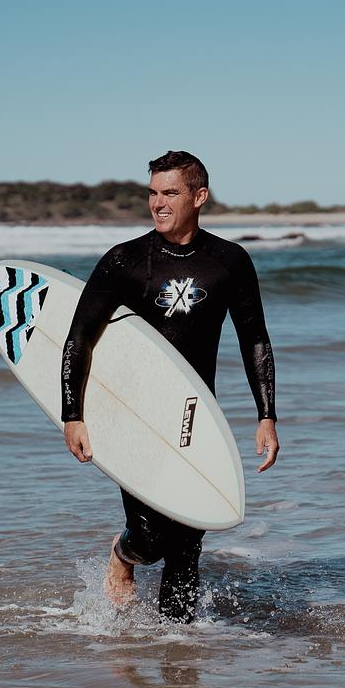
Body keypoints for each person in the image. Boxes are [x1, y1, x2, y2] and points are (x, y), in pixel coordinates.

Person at [60, 150, 279, 622]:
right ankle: (122, 554)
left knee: (187, 543)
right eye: (153, 193)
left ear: (199, 197)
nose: (158, 203)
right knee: (151, 538)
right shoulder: (125, 261)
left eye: (170, 193)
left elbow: (254, 339)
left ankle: (178, 650)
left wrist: (266, 416)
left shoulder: (229, 262)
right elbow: (78, 337)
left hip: (194, 416)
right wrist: (72, 414)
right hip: (134, 415)